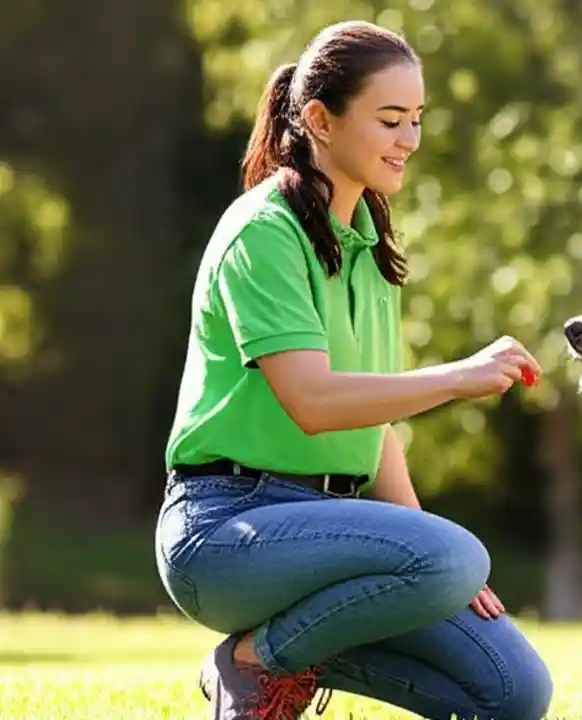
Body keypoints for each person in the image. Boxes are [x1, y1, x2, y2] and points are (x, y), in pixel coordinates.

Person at [154, 20, 553, 720]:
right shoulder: (264, 232)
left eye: (418, 120)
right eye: (391, 119)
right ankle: (252, 664)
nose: (411, 139)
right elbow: (312, 401)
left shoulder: (371, 243)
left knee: (513, 691)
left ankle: (272, 654)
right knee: (456, 557)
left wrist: (433, 560)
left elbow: (377, 426)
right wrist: (458, 378)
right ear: (319, 119)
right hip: (224, 531)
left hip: (332, 529)